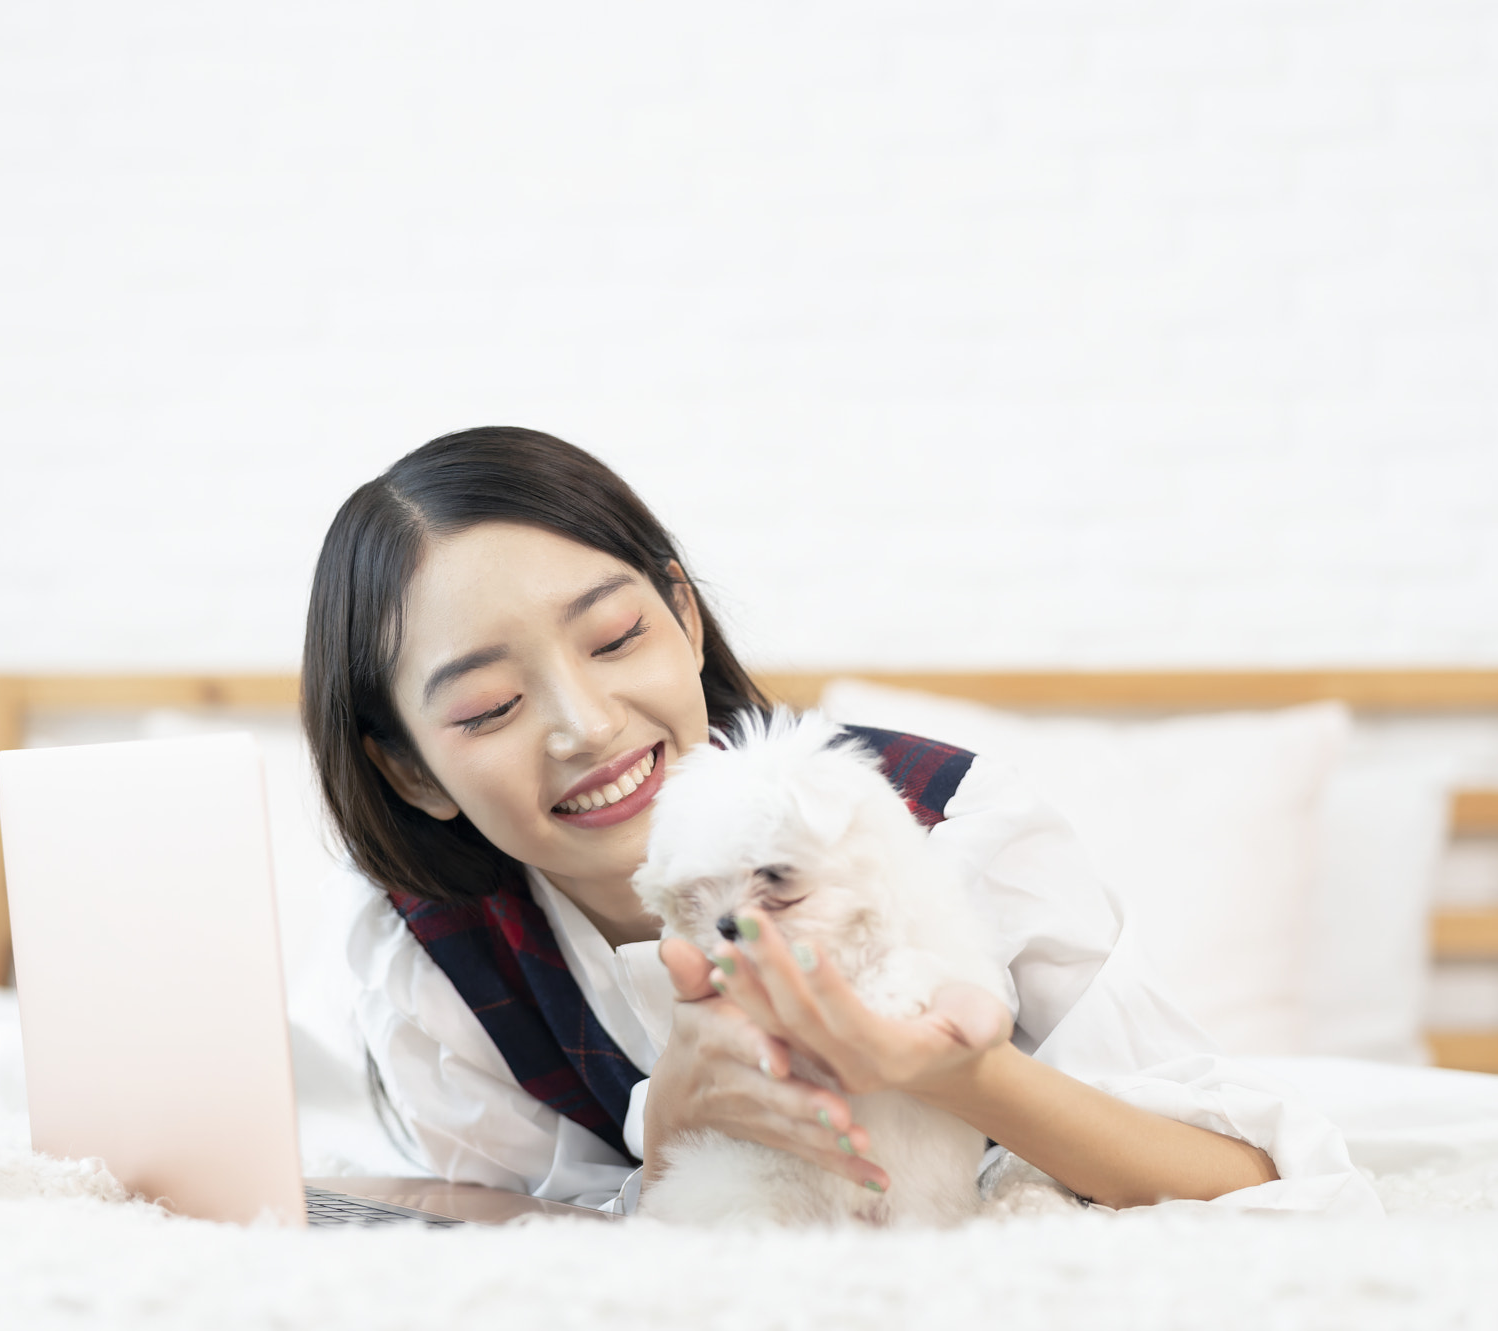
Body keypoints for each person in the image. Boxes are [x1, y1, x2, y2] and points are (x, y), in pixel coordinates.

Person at [302, 426, 1379, 1216]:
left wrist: (959, 1075)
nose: (582, 726)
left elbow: (1252, 1177)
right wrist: (664, 1135)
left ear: (682, 618)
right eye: (490, 708)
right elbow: (493, 1233)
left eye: (615, 637)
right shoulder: (431, 956)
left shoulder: (950, 829)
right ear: (408, 767)